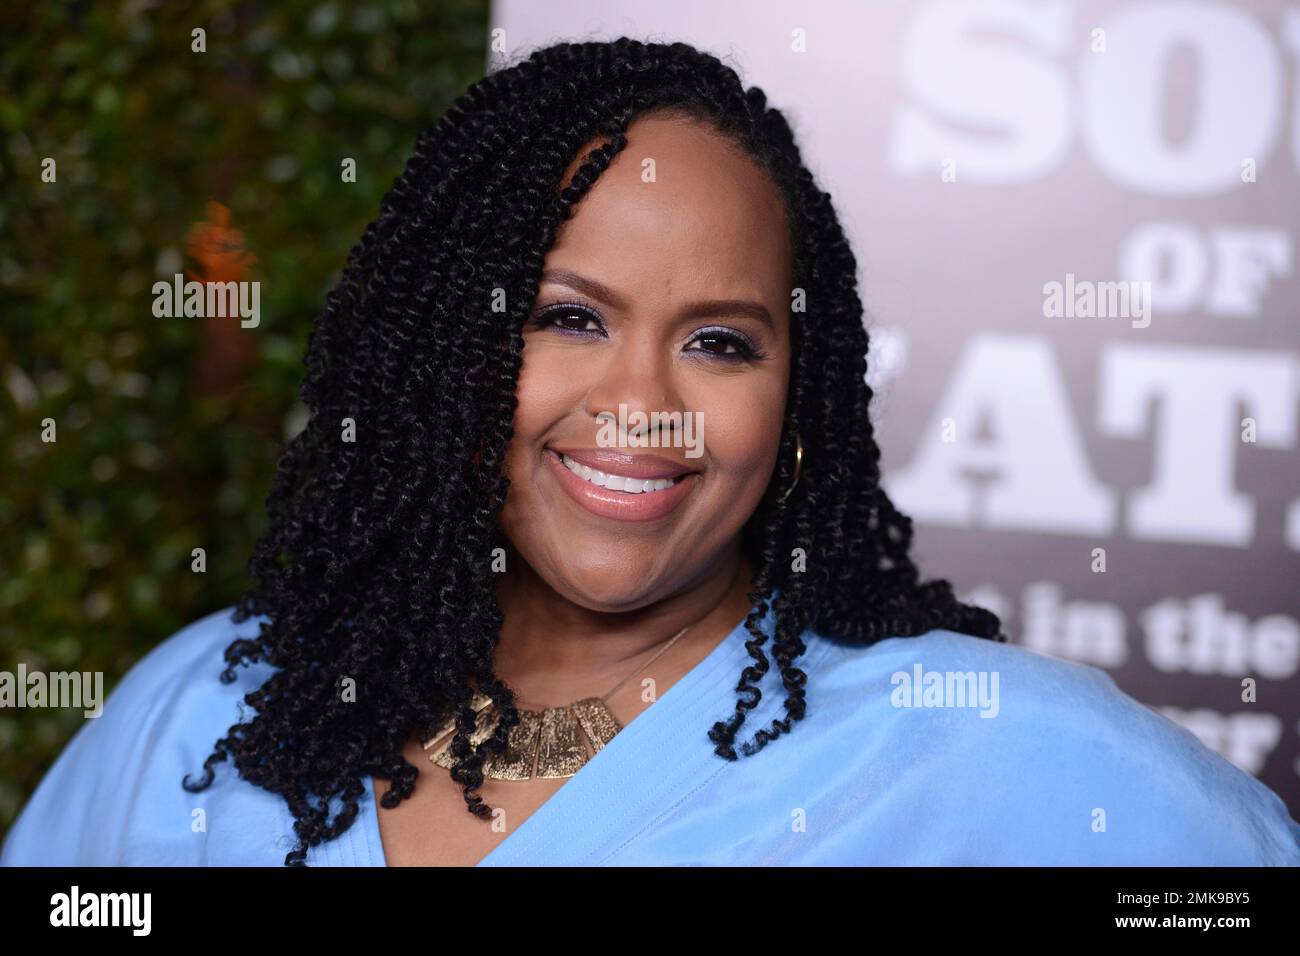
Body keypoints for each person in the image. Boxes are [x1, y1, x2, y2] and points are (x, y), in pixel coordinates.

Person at [4, 38, 1298, 867]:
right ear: (445, 353)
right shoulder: (206, 716)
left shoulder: (1007, 758)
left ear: (801, 405)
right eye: (569, 319)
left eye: (722, 345)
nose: (646, 404)